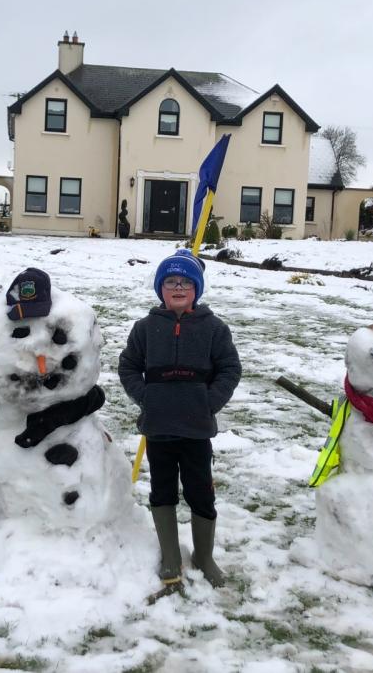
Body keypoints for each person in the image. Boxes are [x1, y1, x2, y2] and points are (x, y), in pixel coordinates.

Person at [118, 249, 241, 588]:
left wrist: (209, 401)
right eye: (170, 281)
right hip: (159, 428)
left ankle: (204, 555)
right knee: (162, 490)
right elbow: (128, 365)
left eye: (186, 282)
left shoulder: (214, 329)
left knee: (201, 492)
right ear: (160, 289)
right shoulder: (145, 328)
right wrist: (146, 397)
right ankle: (171, 555)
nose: (178, 287)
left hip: (196, 428)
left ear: (196, 290)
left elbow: (230, 368)